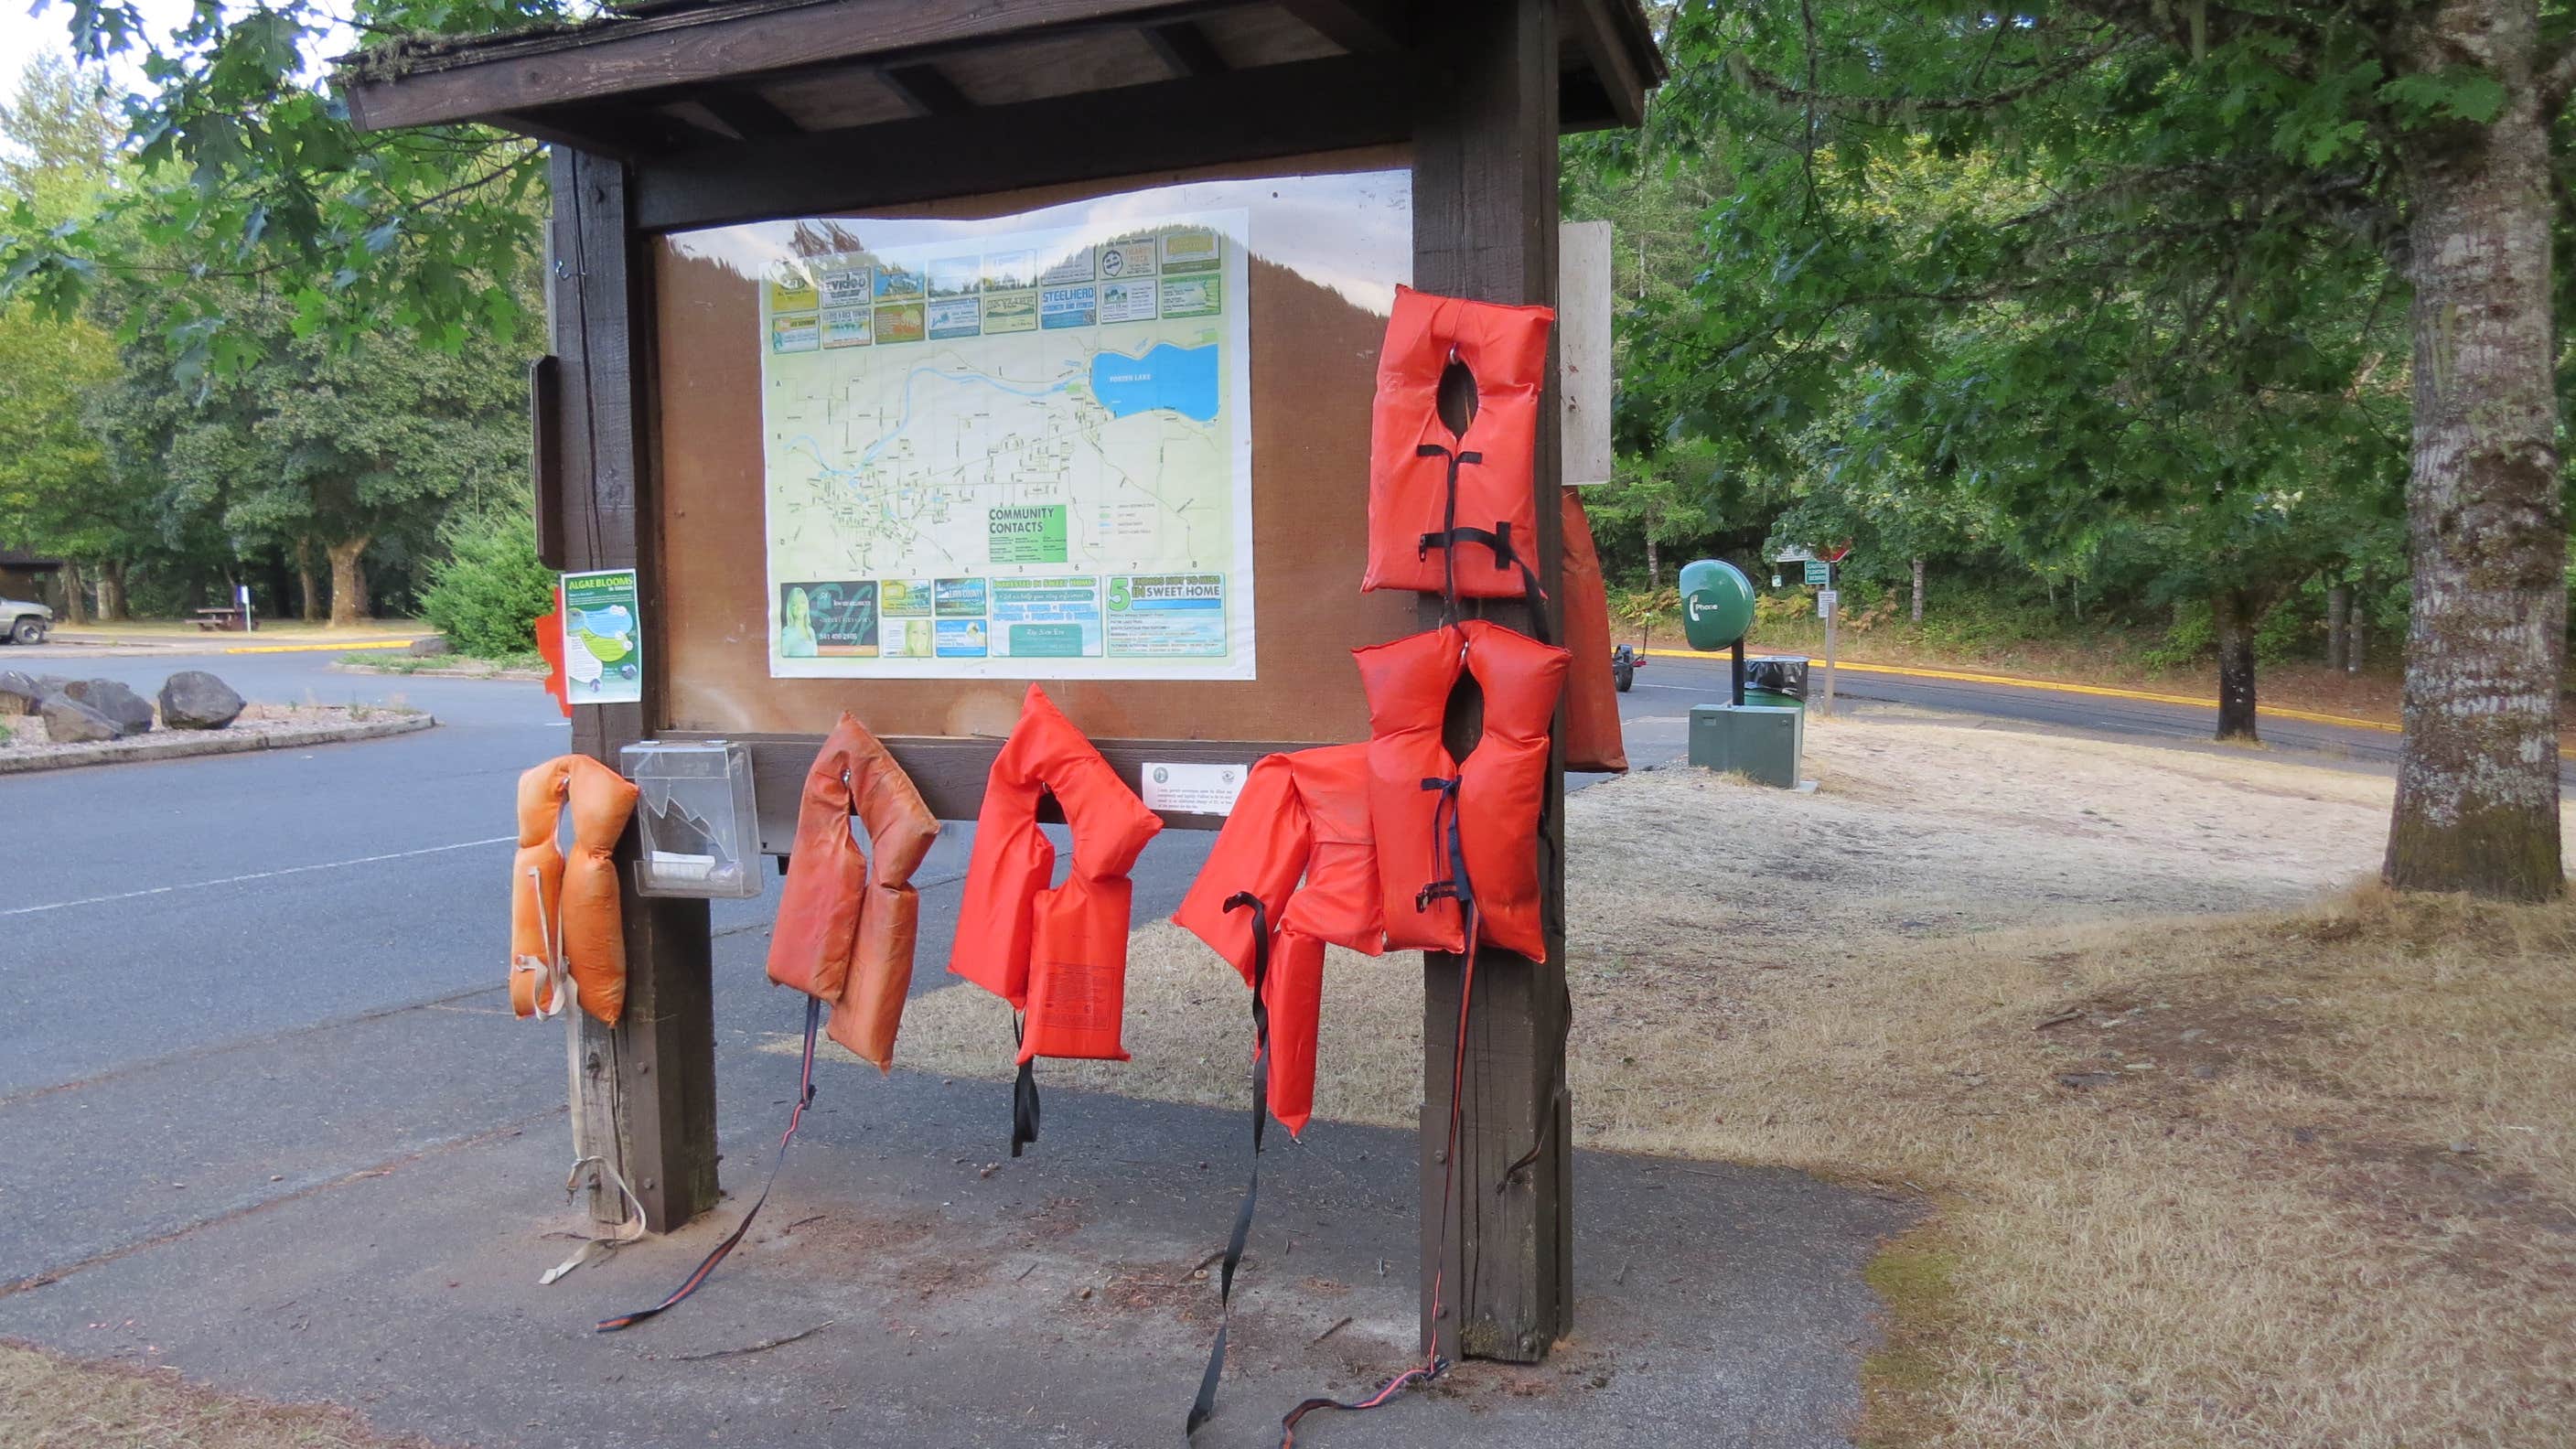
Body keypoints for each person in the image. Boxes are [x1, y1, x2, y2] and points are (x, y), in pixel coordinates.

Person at [780, 586, 819, 658]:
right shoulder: (788, 632)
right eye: (794, 604)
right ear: (790, 608)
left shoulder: (811, 631)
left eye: (802, 602)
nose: (799, 607)